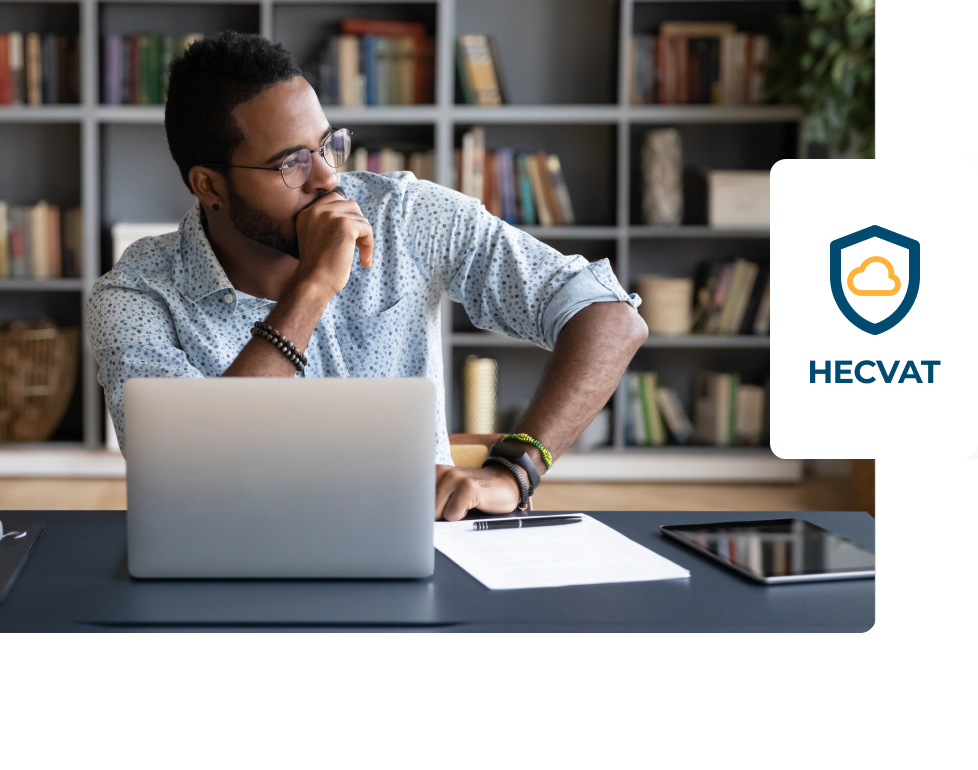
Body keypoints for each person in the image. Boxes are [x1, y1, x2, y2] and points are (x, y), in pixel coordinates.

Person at [87, 32, 647, 521]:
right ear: (208, 185)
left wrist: (517, 468)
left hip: (422, 543)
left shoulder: (403, 214)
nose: (330, 178)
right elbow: (183, 476)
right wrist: (312, 288)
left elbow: (611, 317)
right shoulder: (135, 296)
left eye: (327, 144)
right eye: (291, 163)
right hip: (238, 561)